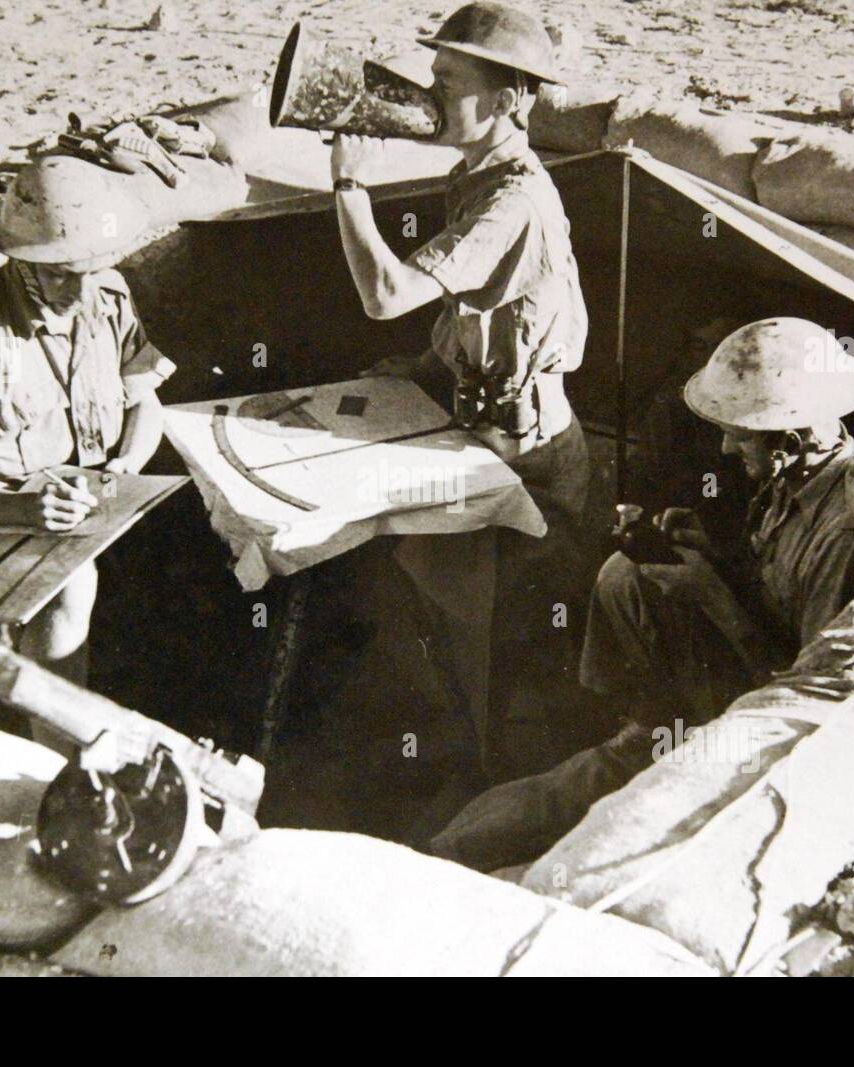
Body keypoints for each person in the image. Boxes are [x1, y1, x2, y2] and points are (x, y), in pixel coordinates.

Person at [428, 317, 854, 869]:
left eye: (740, 433)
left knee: (570, 798)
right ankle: (634, 728)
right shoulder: (795, 479)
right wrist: (711, 551)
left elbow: (809, 700)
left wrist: (712, 596)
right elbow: (774, 590)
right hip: (731, 679)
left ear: (792, 441)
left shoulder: (851, 534)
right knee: (623, 574)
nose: (727, 447)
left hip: (759, 729)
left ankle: (448, 854)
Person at [329, 3, 590, 773]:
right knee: (454, 615)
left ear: (510, 97)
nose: (431, 94)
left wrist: (349, 186)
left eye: (450, 80)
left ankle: (494, 781)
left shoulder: (512, 199)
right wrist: (420, 373)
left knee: (518, 651)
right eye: (432, 76)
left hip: (529, 453)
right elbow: (475, 312)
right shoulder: (476, 176)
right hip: (488, 428)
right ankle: (463, 752)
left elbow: (385, 296)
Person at [0, 157, 175, 710]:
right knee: (71, 588)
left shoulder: (108, 294)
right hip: (4, 520)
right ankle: (61, 753)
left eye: (88, 269)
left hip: (95, 504)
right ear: (18, 258)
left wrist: (125, 467)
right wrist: (28, 509)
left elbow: (144, 399)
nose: (79, 292)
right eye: (59, 273)